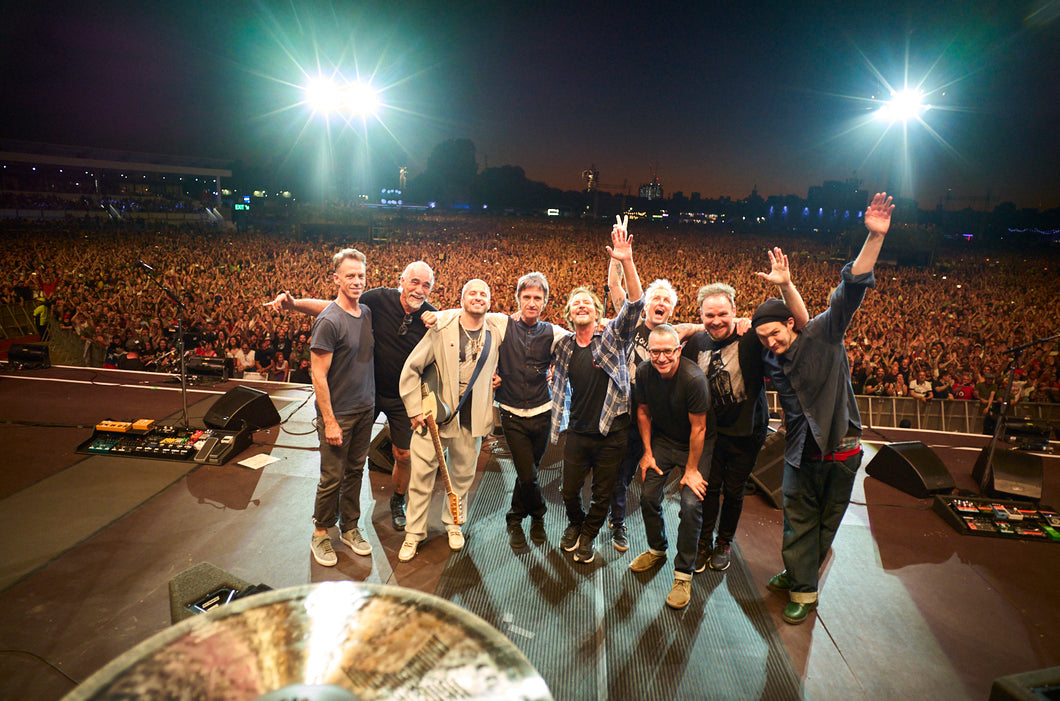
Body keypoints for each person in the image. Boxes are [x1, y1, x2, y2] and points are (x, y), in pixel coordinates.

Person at [751, 191, 894, 625]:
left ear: (791, 324)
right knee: (796, 520)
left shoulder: (824, 336)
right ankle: (802, 583)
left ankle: (802, 580)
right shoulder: (772, 358)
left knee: (826, 521)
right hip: (799, 451)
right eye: (763, 339)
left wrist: (874, 238)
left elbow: (850, 290)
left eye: (775, 334)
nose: (771, 343)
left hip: (841, 447)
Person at [267, 261, 437, 531]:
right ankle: (334, 509)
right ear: (401, 280)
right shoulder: (378, 299)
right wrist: (295, 304)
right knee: (345, 456)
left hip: (403, 398)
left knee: (403, 455)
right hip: (365, 392)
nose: (419, 289)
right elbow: (334, 309)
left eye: (426, 285)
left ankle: (397, 500)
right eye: (414, 282)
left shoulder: (431, 317)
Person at [683, 247, 808, 573]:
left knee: (735, 491)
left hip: (747, 432)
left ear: (735, 311)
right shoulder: (697, 343)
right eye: (709, 315)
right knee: (708, 491)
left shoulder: (752, 337)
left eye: (723, 314)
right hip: (709, 433)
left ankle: (724, 542)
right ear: (700, 315)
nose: (716, 320)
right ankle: (703, 542)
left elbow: (801, 326)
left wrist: (785, 285)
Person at [550, 218, 643, 565]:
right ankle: (576, 523)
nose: (582, 306)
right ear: (569, 314)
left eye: (588, 303)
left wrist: (625, 260)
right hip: (578, 430)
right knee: (569, 490)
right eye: (576, 304)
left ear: (598, 311)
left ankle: (588, 535)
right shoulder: (562, 347)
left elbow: (634, 306)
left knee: (602, 494)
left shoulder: (613, 338)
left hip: (612, 433)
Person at [396, 279, 507, 561]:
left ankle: (454, 524)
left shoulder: (497, 327)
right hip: (436, 415)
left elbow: (529, 327)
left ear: (490, 302)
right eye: (472, 293)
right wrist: (415, 410)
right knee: (421, 476)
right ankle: (413, 533)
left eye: (484, 294)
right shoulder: (442, 325)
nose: (478, 297)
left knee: (462, 477)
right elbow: (411, 368)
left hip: (472, 418)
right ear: (461, 299)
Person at [605, 272, 701, 553]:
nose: (661, 303)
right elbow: (617, 286)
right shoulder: (632, 321)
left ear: (672, 309)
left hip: (652, 416)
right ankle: (618, 521)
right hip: (623, 410)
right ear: (646, 304)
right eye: (655, 298)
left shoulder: (674, 333)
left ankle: (642, 527)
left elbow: (703, 325)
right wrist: (622, 259)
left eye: (667, 300)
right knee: (619, 471)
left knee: (638, 470)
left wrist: (737, 322)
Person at [627, 324, 713, 610]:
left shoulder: (693, 379)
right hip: (664, 441)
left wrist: (691, 470)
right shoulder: (644, 373)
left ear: (678, 350)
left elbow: (699, 428)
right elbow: (642, 412)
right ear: (648, 351)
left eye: (667, 351)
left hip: (695, 443)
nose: (661, 358)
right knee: (648, 495)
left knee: (690, 505)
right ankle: (657, 548)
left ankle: (683, 573)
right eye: (655, 352)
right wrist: (647, 453)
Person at [308, 248, 376, 567]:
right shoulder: (328, 320)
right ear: (336, 278)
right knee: (331, 477)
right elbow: (318, 375)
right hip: (339, 415)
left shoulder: (366, 314)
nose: (357, 281)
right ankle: (321, 533)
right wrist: (330, 421)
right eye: (350, 275)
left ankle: (349, 527)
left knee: (355, 472)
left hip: (365, 410)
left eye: (361, 275)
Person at [493, 272, 569, 549]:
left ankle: (514, 517)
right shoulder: (502, 324)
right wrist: (435, 316)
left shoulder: (553, 333)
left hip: (542, 413)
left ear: (545, 302)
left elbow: (583, 335)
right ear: (518, 299)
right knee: (528, 475)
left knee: (530, 473)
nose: (532, 302)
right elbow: (469, 312)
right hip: (512, 414)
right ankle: (538, 516)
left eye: (538, 298)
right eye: (527, 297)